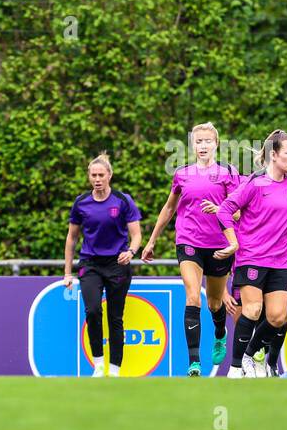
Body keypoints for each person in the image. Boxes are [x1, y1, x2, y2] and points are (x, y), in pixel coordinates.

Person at [140, 123, 238, 376]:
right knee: (193, 296)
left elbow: (239, 211)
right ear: (193, 145)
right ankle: (194, 362)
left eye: (207, 141)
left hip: (219, 245)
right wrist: (151, 241)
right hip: (189, 241)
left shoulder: (228, 172)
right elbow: (169, 209)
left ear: (216, 144)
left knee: (215, 303)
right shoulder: (182, 174)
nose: (203, 146)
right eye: (199, 141)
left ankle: (219, 333)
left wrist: (221, 211)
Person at [215, 130, 287, 378]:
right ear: (273, 155)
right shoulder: (254, 183)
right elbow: (224, 211)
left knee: (277, 317)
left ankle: (248, 355)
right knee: (253, 310)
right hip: (252, 257)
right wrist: (232, 242)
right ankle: (234, 368)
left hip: (281, 261)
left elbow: (282, 221)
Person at [63, 153, 142, 377]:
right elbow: (71, 238)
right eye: (93, 175)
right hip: (90, 264)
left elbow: (136, 235)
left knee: (115, 317)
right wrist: (67, 273)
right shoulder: (81, 203)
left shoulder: (123, 200)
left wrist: (131, 252)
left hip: (118, 264)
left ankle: (115, 369)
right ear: (89, 177)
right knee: (93, 310)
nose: (97, 179)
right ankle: (98, 364)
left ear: (110, 176)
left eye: (101, 175)